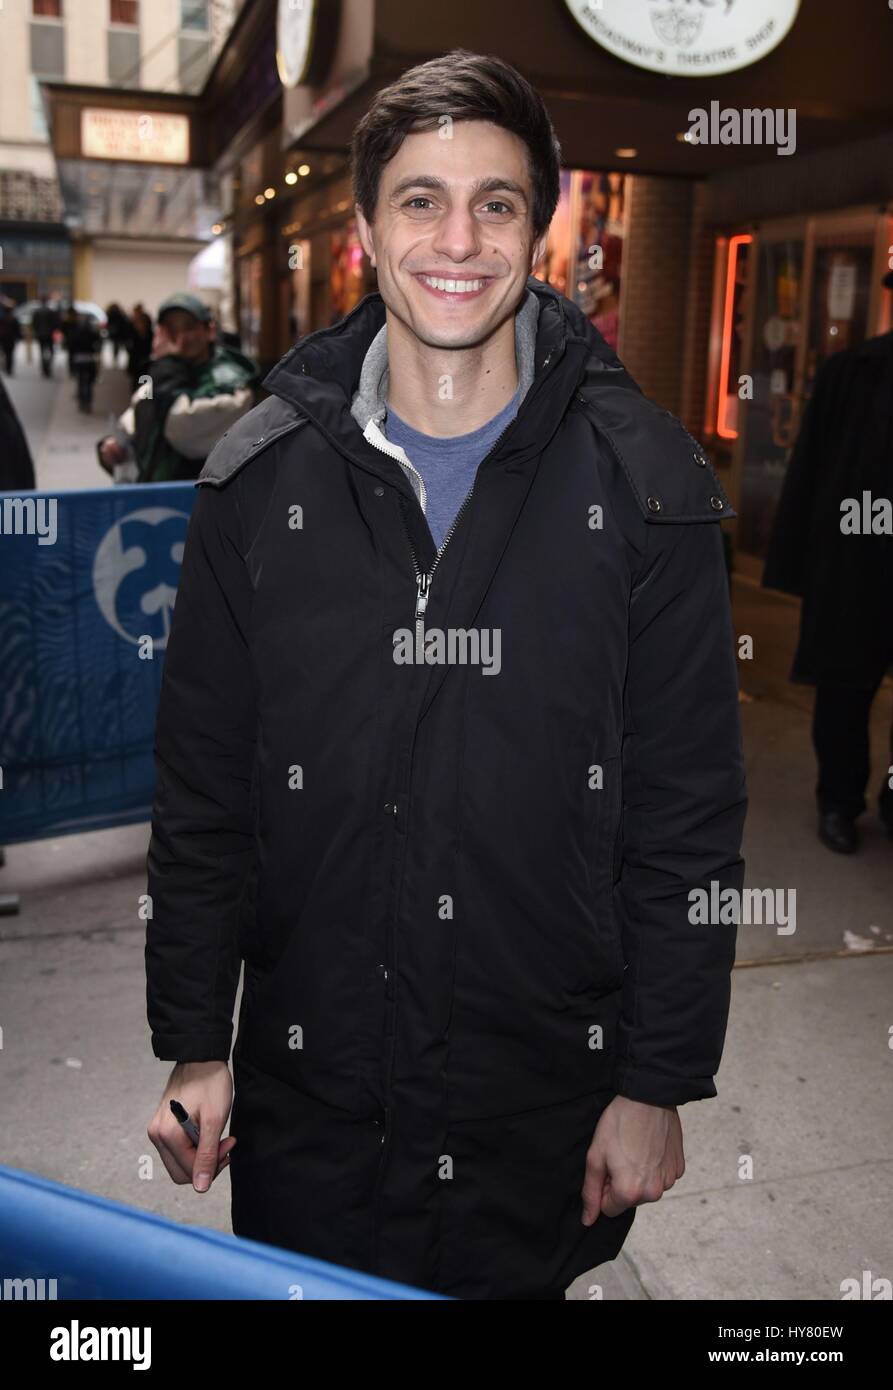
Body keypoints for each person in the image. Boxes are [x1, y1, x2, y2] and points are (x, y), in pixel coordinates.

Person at [145, 51, 747, 1301]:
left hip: (534, 1091)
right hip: (312, 1090)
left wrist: (654, 1079)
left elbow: (685, 815)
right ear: (364, 229)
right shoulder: (254, 482)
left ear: (541, 228)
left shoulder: (649, 487)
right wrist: (198, 1043)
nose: (456, 239)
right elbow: (205, 792)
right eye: (419, 200)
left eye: (496, 202)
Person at [762, 270, 893, 854]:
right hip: (857, 568)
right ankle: (839, 802)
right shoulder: (853, 375)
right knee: (844, 692)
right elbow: (810, 472)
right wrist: (795, 563)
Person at [97, 294, 259, 484]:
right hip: (154, 501)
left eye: (189, 327)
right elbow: (132, 428)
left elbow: (183, 430)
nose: (181, 337)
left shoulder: (232, 382)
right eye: (171, 330)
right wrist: (110, 449)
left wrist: (166, 364)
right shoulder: (162, 377)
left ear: (210, 331)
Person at [68, 313, 102, 413]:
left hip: (79, 359)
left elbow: (71, 347)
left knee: (81, 381)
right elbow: (98, 344)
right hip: (89, 359)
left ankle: (82, 401)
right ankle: (88, 402)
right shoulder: (93, 333)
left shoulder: (76, 333)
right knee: (89, 383)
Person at [126, 303, 154, 392]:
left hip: (145, 363)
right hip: (137, 362)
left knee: (145, 384)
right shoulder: (134, 334)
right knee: (136, 384)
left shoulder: (149, 335)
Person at [32, 296, 59, 378]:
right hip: (49, 335)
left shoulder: (37, 312)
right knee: (51, 352)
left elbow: (34, 324)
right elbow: (55, 324)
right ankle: (47, 367)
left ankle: (44, 368)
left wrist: (36, 332)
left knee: (42, 352)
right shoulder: (50, 311)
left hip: (40, 335)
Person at [0, 298, 21, 375]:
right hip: (11, 339)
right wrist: (18, 338)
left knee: (4, 353)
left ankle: (6, 367)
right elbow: (17, 330)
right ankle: (9, 368)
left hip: (3, 338)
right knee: (10, 354)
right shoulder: (14, 319)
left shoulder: (2, 318)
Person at [105, 302, 129, 367]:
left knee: (116, 348)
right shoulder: (119, 314)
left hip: (116, 334)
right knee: (118, 347)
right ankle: (116, 359)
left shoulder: (110, 314)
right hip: (119, 334)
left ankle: (116, 359)